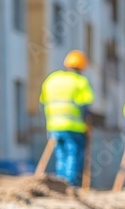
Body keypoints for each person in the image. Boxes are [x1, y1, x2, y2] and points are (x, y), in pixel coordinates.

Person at [40, 50, 94, 186]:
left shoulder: (52, 79)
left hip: (54, 126)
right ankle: (70, 185)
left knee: (61, 156)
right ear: (82, 67)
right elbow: (84, 108)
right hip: (74, 127)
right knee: (73, 155)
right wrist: (88, 124)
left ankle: (60, 184)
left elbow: (43, 103)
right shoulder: (80, 82)